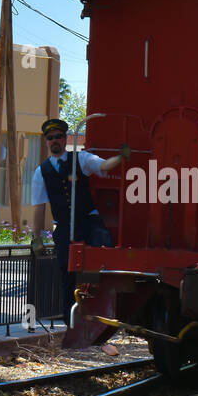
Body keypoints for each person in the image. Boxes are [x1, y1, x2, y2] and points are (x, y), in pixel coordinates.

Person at [31, 118, 127, 322]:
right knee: (66, 271)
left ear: (65, 139)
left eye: (58, 136)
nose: (55, 140)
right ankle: (70, 319)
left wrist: (120, 157)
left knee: (103, 256)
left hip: (89, 222)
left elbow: (104, 165)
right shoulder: (41, 172)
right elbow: (39, 208)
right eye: (50, 138)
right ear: (46, 141)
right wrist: (36, 237)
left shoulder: (81, 158)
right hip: (65, 227)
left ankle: (104, 309)